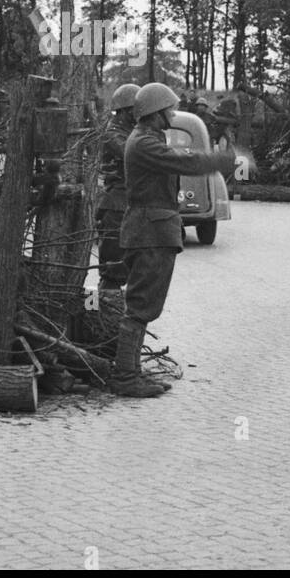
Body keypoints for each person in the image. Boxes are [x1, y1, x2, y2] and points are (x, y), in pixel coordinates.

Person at [113, 82, 236, 397]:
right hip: (149, 233)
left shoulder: (147, 139)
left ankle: (131, 375)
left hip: (152, 231)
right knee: (140, 308)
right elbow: (185, 162)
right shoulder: (143, 143)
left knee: (143, 307)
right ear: (155, 113)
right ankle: (126, 379)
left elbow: (181, 157)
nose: (172, 113)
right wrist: (218, 161)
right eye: (168, 108)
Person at [95, 83, 139, 292]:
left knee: (128, 266)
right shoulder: (113, 133)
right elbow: (133, 156)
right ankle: (101, 316)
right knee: (112, 270)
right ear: (125, 110)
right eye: (135, 109)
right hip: (116, 204)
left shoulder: (130, 131)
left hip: (128, 202)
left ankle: (113, 314)